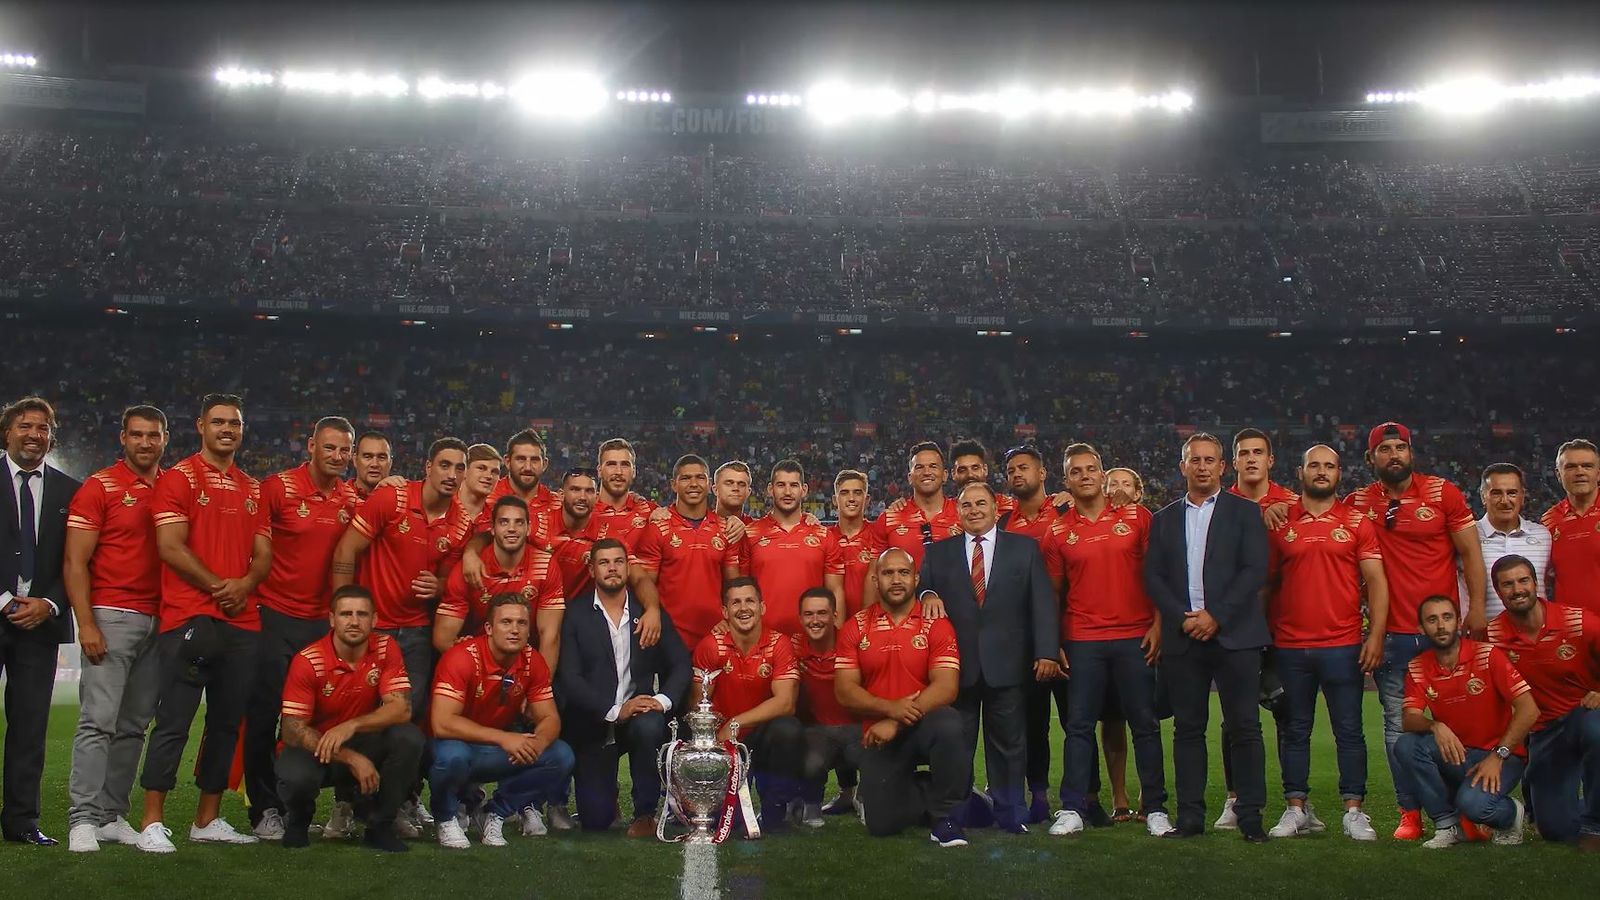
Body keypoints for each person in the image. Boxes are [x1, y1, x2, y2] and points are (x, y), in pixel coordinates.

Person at [139, 393, 271, 852]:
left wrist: (245, 585)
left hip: (243, 622)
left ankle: (206, 819)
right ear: (200, 426)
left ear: (242, 428)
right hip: (189, 616)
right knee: (173, 720)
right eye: (218, 422)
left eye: (234, 422)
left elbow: (263, 556)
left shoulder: (254, 487)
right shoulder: (178, 478)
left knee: (226, 723)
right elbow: (170, 547)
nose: (227, 429)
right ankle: (152, 821)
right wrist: (222, 586)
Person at [1345, 421, 1484, 840]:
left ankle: (1462, 811)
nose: (1394, 455)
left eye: (1400, 447)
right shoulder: (1358, 502)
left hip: (1444, 632)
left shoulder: (1444, 493)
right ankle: (1411, 812)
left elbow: (1470, 553)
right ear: (1371, 459)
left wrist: (1476, 607)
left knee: (1455, 720)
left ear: (1411, 453)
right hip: (1391, 634)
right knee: (1396, 725)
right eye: (1384, 449)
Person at [1143, 432, 1270, 842]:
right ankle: (1192, 817)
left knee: (1245, 727)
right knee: (1187, 730)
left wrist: (1215, 616)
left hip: (1235, 634)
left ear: (1222, 467)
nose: (1201, 466)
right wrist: (1183, 619)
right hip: (1185, 638)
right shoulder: (1163, 519)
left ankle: (1251, 817)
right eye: (1194, 460)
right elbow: (1154, 576)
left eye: (1209, 460)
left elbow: (1254, 570)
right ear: (1183, 467)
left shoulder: (1246, 512)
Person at [916, 481, 1060, 834]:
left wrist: (1045, 650)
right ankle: (958, 811)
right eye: (967, 505)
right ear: (958, 512)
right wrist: (928, 592)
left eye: (981, 504)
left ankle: (1011, 812)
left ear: (997, 509)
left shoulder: (1024, 549)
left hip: (1008, 664)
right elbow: (922, 587)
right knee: (958, 744)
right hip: (957, 667)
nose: (975, 510)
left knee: (1010, 744)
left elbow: (1041, 602)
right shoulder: (939, 552)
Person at [1042, 443, 1170, 838]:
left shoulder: (1138, 517)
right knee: (1079, 726)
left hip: (1135, 636)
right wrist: (1053, 642)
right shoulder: (1058, 531)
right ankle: (1072, 808)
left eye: (1090, 469)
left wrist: (1159, 624)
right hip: (1083, 640)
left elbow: (1160, 574)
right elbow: (1052, 597)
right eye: (1075, 471)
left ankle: (1156, 809)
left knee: (1145, 725)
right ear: (1067, 480)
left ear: (1101, 474)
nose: (1084, 476)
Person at [243, 416, 360, 841]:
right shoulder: (278, 487)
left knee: (315, 717)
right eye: (329, 447)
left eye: (344, 449)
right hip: (274, 615)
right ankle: (263, 810)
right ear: (310, 445)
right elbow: (249, 541)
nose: (337, 456)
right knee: (263, 715)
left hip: (320, 624)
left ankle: (299, 805)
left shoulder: (351, 497)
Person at [1263, 445, 1388, 841]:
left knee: (1349, 730)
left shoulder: (1356, 522)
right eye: (1314, 465)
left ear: (1339, 473)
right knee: (1294, 730)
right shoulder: (1280, 521)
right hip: (1290, 645)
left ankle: (1354, 811)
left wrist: (1376, 635)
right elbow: (1265, 586)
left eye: (1329, 466)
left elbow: (1377, 582)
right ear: (1300, 471)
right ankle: (1296, 808)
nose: (1321, 471)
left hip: (1343, 643)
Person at [64, 405, 167, 853]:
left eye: (154, 435)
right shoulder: (99, 486)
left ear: (165, 439)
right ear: (122, 438)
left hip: (161, 619)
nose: (146, 443)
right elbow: (74, 561)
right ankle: (82, 819)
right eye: (138, 435)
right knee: (98, 722)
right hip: (111, 614)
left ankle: (111, 816)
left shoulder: (174, 486)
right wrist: (86, 621)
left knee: (133, 727)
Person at [331, 437, 472, 725]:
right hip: (373, 625)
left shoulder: (461, 524)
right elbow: (347, 549)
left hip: (416, 631)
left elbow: (446, 580)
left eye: (459, 468)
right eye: (444, 465)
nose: (451, 475)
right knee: (355, 708)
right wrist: (343, 610)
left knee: (405, 715)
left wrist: (440, 586)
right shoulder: (392, 497)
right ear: (428, 466)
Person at [834, 548, 968, 846]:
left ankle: (947, 817)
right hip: (878, 735)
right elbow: (844, 691)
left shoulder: (937, 623)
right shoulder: (856, 626)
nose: (896, 580)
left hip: (923, 726)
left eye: (904, 573)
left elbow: (947, 687)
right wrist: (888, 709)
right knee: (882, 825)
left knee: (949, 723)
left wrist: (896, 720)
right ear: (875, 579)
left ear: (916, 578)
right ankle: (936, 791)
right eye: (888, 573)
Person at [556, 539, 689, 836]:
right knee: (595, 821)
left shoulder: (649, 613)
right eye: (604, 562)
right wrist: (615, 710)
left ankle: (645, 813)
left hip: (639, 718)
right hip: (595, 720)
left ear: (629, 568)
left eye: (618, 561)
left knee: (649, 726)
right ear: (591, 569)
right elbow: (570, 678)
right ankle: (606, 795)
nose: (612, 568)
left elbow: (681, 663)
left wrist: (662, 701)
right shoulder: (575, 615)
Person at [275, 585, 423, 852]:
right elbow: (291, 729)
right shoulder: (309, 660)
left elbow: (401, 708)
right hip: (315, 748)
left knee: (408, 737)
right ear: (332, 619)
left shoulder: (385, 646)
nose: (354, 621)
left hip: (360, 740)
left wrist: (351, 725)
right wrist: (351, 758)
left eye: (362, 614)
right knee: (297, 775)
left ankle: (380, 826)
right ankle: (298, 821)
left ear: (375, 620)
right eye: (346, 614)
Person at [429, 593, 575, 849]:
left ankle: (494, 812)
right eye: (506, 622)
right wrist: (505, 738)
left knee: (560, 755)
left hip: (497, 749)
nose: (514, 630)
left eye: (521, 623)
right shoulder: (461, 657)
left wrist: (537, 743)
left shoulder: (533, 660)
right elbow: (441, 723)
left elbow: (550, 717)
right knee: (452, 756)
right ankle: (446, 817)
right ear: (488, 628)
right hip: (455, 745)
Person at [1, 397, 81, 847]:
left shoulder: (71, 490)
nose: (35, 434)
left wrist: (49, 603)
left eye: (44, 428)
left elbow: (78, 561)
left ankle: (21, 823)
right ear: (7, 432)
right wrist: (6, 601)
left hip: (41, 625)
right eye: (25, 426)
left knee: (30, 729)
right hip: (3, 611)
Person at [1397, 594, 1537, 848]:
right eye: (1432, 620)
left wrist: (1498, 756)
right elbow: (1409, 719)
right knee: (1406, 745)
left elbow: (1529, 709)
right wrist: (1434, 725)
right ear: (1421, 628)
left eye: (1447, 617)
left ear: (1459, 621)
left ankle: (1510, 814)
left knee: (1474, 805)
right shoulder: (1418, 666)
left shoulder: (1487, 655)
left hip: (1501, 755)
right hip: (1459, 754)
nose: (1441, 626)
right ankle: (1447, 825)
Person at [1483, 554, 1600, 850]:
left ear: (1537, 583)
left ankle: (1595, 825)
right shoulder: (1493, 636)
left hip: (1582, 716)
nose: (1517, 589)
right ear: (1498, 592)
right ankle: (1550, 800)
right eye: (1507, 584)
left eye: (1523, 580)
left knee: (1597, 730)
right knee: (1556, 829)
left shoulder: (1579, 621)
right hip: (1543, 733)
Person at [689, 577, 805, 835]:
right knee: (728, 823)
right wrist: (719, 740)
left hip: (762, 739)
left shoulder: (779, 644)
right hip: (723, 746)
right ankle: (707, 803)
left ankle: (776, 809)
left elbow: (786, 703)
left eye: (750, 601)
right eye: (736, 602)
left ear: (762, 607)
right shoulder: (710, 646)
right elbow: (699, 707)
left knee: (788, 728)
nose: (744, 608)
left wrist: (736, 722)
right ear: (724, 611)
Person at [436, 496, 564, 671]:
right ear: (493, 529)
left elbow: (550, 636)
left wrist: (539, 686)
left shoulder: (545, 564)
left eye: (519, 523)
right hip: (478, 663)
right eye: (504, 522)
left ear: (529, 529)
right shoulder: (470, 568)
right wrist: (474, 664)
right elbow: (443, 637)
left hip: (526, 664)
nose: (512, 529)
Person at [635, 454, 739, 653]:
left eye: (700, 478)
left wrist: (728, 620)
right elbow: (645, 583)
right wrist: (654, 614)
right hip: (669, 637)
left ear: (709, 485)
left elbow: (733, 585)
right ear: (674, 485)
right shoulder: (658, 527)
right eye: (685, 478)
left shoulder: (725, 529)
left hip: (715, 635)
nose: (693, 484)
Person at [791, 587, 862, 825]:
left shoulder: (853, 644)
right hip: (818, 732)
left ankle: (858, 795)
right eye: (808, 614)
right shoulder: (793, 647)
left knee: (866, 755)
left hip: (857, 732)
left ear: (834, 615)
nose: (815, 620)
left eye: (822, 613)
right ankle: (811, 802)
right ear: (800, 618)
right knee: (811, 754)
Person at [744, 460, 830, 638]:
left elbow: (834, 591)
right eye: (781, 485)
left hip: (813, 640)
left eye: (794, 485)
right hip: (762, 641)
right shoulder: (750, 534)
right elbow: (740, 589)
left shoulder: (823, 535)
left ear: (804, 490)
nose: (788, 492)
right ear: (770, 489)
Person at [1462, 464, 1550, 620]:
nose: (1505, 500)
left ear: (1522, 496)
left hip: (1535, 636)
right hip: (1483, 636)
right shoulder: (1466, 535)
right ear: (1483, 496)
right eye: (1496, 493)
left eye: (1512, 493)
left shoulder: (1543, 535)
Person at [1544, 439, 1600, 616]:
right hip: (1571, 628)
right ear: (1558, 474)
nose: (1580, 472)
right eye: (1570, 467)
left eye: (1587, 466)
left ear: (1598, 473)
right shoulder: (1548, 521)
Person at [823, 469, 881, 620]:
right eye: (844, 493)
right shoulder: (823, 538)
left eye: (857, 493)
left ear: (867, 500)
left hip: (872, 626)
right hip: (832, 627)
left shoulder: (879, 536)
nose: (851, 498)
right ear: (835, 500)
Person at [351, 432, 394, 500]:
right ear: (355, 460)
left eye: (381, 457)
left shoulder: (403, 500)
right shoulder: (338, 498)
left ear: (390, 462)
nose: (375, 464)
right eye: (367, 457)